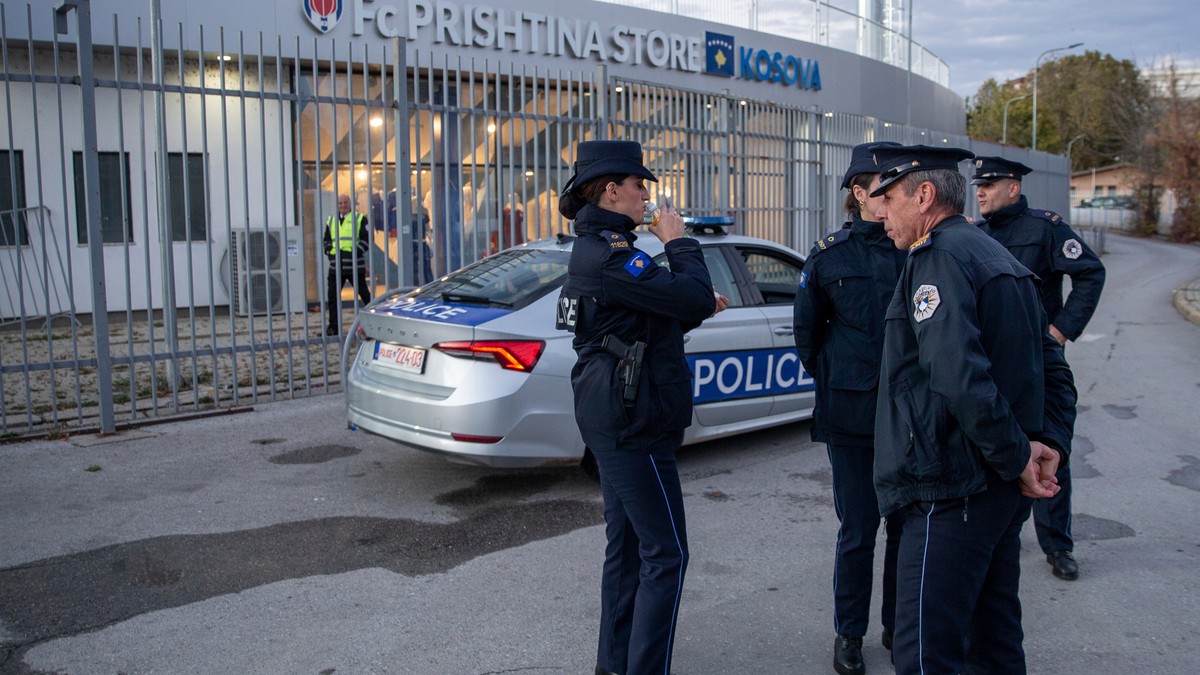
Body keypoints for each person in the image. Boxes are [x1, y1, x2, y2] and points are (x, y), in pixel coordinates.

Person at [869, 144, 1078, 674]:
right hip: (995, 489)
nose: (879, 211)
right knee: (993, 641)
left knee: (926, 653)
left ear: (924, 195)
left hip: (951, 488)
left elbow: (957, 376)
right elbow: (1052, 367)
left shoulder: (939, 258)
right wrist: (1045, 445)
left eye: (888, 198)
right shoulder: (994, 254)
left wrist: (1019, 456)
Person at [554, 140, 727, 675]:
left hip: (616, 411)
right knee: (666, 554)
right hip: (633, 419)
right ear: (611, 190)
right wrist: (679, 242)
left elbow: (645, 320)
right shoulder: (611, 253)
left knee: (628, 550)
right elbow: (687, 295)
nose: (647, 196)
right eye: (639, 185)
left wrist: (695, 304)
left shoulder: (604, 248)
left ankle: (614, 665)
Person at [792, 141, 905, 675]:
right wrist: (843, 378)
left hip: (911, 416)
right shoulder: (829, 255)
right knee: (859, 532)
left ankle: (900, 626)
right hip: (852, 417)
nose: (894, 196)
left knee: (907, 529)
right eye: (885, 187)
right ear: (859, 193)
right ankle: (850, 634)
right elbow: (807, 336)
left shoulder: (917, 248)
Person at [973, 155, 1106, 582]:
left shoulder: (1045, 228)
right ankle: (997, 530)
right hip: (993, 359)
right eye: (978, 185)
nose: (980, 192)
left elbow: (1089, 272)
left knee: (1048, 443)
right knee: (995, 442)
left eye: (989, 185)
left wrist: (1061, 330)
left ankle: (1057, 543)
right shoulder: (976, 234)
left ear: (1013, 188)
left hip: (1038, 359)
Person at [323, 193, 372, 336]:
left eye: (345, 202)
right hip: (336, 267)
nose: (343, 205)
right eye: (340, 203)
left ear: (350, 204)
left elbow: (366, 240)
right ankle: (334, 327)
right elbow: (326, 240)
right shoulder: (331, 220)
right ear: (337, 205)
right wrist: (330, 252)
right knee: (332, 297)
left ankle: (375, 322)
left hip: (354, 266)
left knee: (365, 296)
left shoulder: (360, 218)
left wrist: (353, 253)